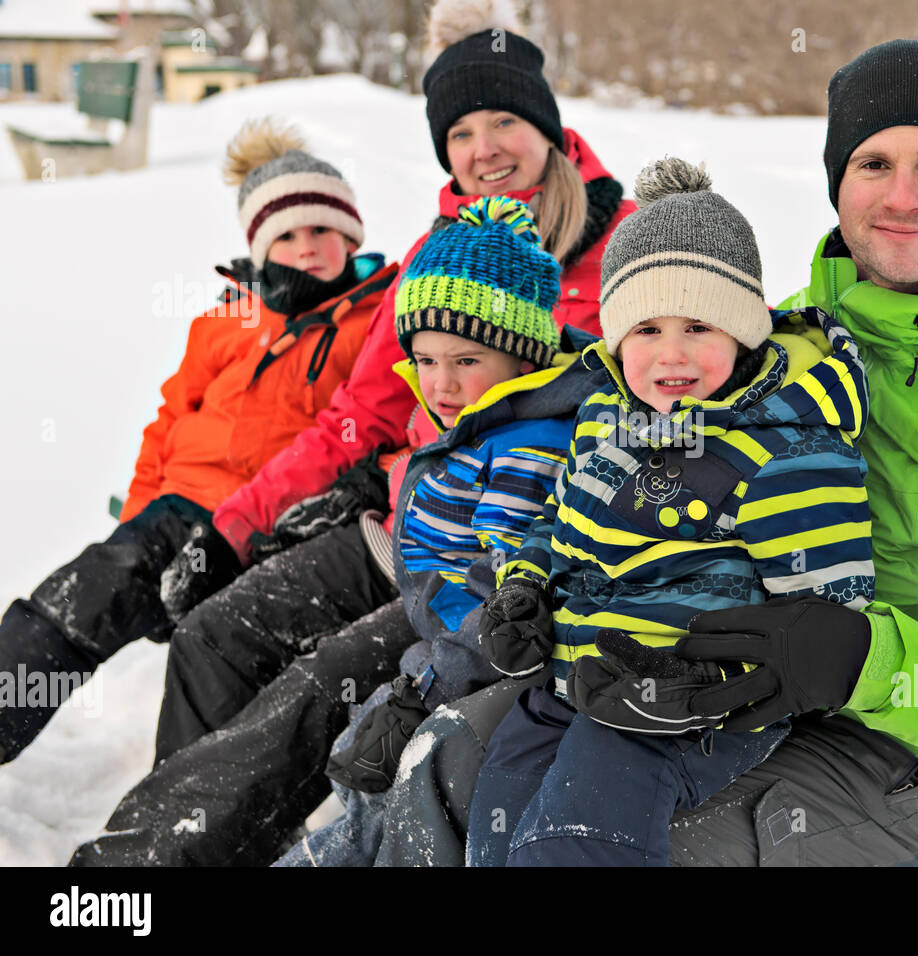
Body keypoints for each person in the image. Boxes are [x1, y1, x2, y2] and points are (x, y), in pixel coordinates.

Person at [373, 39, 918, 867]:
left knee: (612, 845)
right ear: (838, 184)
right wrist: (524, 578)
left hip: (885, 751)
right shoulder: (780, 333)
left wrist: (859, 661)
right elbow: (628, 433)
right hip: (687, 668)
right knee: (445, 764)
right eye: (873, 163)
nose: (903, 196)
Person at [68, 0, 634, 865]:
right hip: (402, 517)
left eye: (506, 121)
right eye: (461, 132)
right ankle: (180, 848)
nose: (484, 148)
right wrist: (231, 529)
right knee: (212, 638)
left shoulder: (630, 245)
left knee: (311, 697)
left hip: (514, 556)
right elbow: (357, 415)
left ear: (548, 130)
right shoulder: (433, 254)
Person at [461, 158, 876, 866]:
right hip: (576, 675)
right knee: (498, 805)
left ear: (745, 332)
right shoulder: (605, 415)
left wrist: (704, 685)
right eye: (646, 329)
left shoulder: (786, 451)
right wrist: (525, 588)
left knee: (576, 838)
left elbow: (824, 621)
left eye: (700, 327)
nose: (671, 355)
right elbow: (557, 521)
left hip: (687, 714)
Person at [0, 119, 396, 763]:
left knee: (221, 658)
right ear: (260, 246)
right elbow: (170, 417)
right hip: (178, 508)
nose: (307, 248)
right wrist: (138, 516)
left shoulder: (373, 315)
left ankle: (177, 808)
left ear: (351, 235)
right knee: (79, 599)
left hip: (276, 523)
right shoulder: (230, 316)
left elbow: (370, 423)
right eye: (287, 235)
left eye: (323, 229)